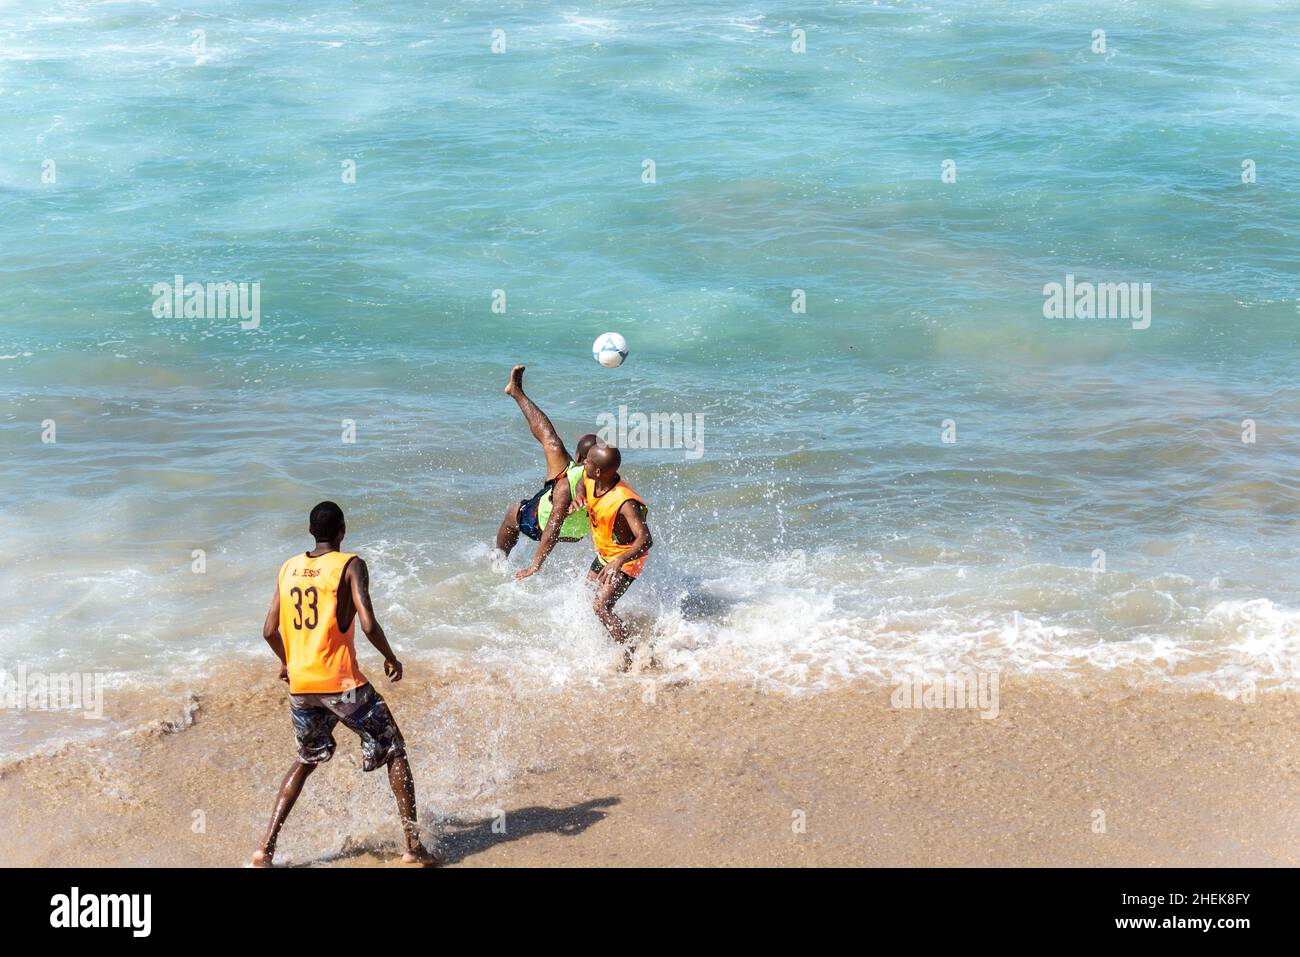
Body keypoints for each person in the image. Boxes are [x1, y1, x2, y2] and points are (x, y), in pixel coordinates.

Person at [252, 501, 438, 867]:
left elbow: (269, 631)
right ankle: (413, 849)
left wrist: (288, 663)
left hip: (303, 686)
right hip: (342, 684)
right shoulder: (350, 565)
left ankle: (265, 849)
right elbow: (367, 623)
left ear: (310, 532)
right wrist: (391, 657)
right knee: (394, 749)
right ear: (342, 531)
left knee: (306, 759)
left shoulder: (288, 567)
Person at [496, 364, 597, 580]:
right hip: (576, 535)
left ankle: (499, 558)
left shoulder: (565, 483)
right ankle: (516, 391)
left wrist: (535, 565)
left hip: (537, 524)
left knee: (513, 513)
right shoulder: (610, 479)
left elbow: (553, 525)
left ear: (578, 458)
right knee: (552, 444)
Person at [581, 443, 653, 665]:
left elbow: (646, 540)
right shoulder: (591, 478)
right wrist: (579, 498)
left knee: (600, 607)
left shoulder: (625, 501)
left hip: (625, 560)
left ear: (599, 471)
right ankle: (612, 634)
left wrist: (619, 561)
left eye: (588, 461)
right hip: (606, 553)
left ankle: (630, 654)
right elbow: (581, 485)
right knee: (587, 592)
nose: (584, 462)